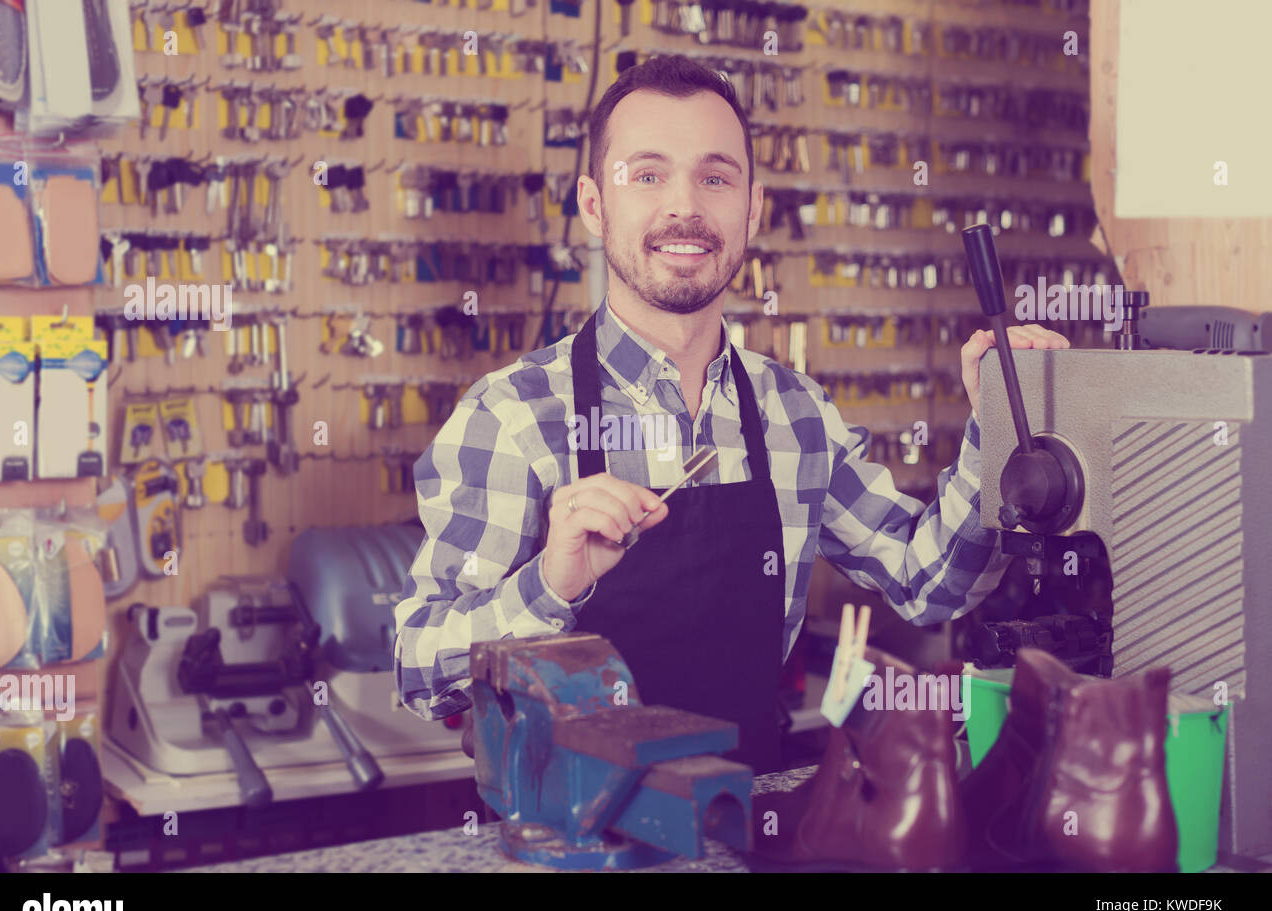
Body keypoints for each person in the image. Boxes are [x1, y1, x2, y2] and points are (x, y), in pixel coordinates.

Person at [394, 54, 1070, 773]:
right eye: (647, 175)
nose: (684, 207)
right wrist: (549, 583)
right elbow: (417, 670)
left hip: (745, 827)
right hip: (570, 844)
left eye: (715, 177)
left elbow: (931, 582)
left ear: (751, 208)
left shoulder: (796, 414)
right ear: (594, 204)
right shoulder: (513, 416)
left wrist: (994, 426)